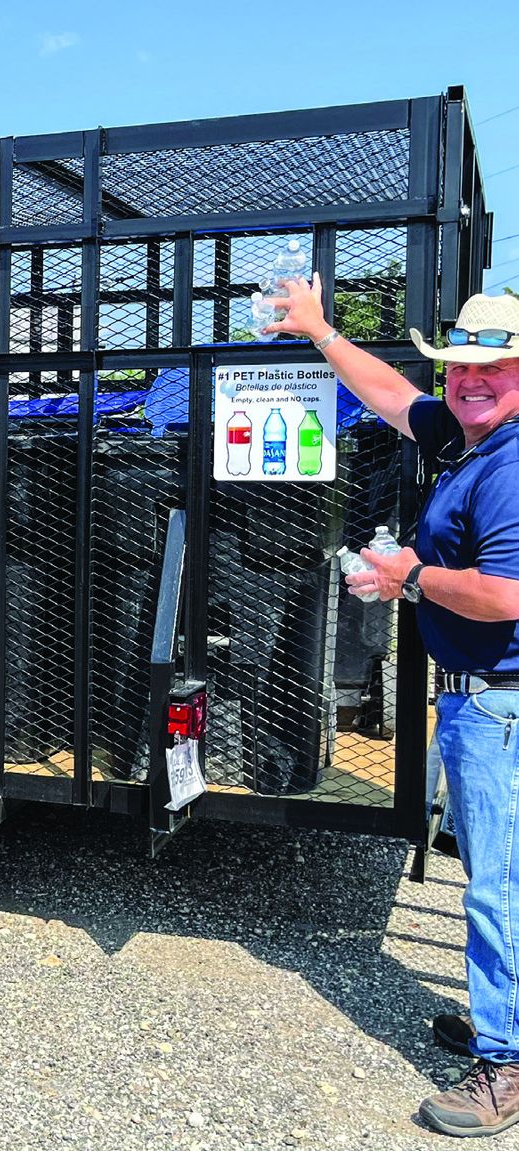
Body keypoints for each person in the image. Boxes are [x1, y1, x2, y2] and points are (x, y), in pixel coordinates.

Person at [268, 282, 519, 1137]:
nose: (469, 380)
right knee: (498, 873)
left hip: (500, 709)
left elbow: (505, 594)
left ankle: (506, 1061)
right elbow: (394, 396)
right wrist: (321, 330)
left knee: (497, 887)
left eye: (493, 367)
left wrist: (406, 573)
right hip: (481, 704)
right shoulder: (469, 437)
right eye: (461, 367)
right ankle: (508, 1023)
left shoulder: (512, 464)